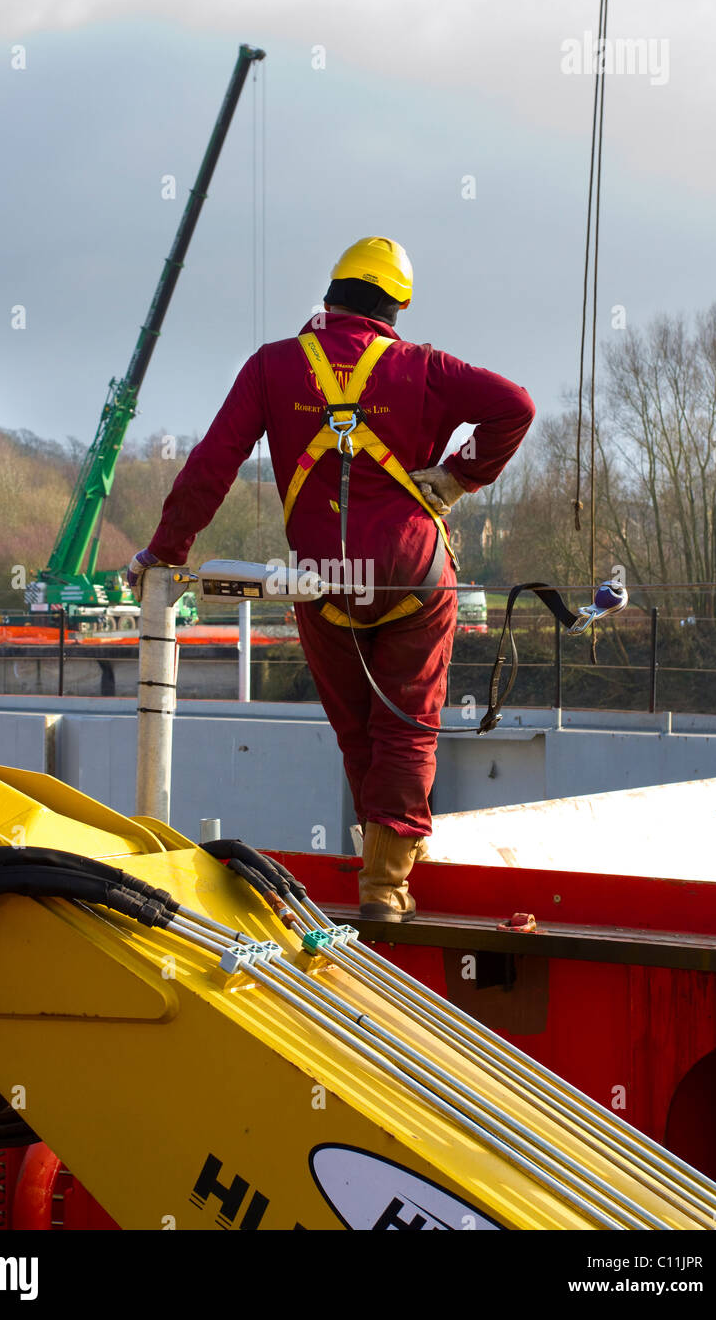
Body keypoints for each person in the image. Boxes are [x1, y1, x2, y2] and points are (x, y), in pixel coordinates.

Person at [129, 237, 534, 922]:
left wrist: (165, 552)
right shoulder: (422, 366)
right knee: (407, 728)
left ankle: (382, 857)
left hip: (324, 585)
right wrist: (461, 475)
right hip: (414, 574)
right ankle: (387, 883)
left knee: (360, 734)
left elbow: (213, 462)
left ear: (333, 293)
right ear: (396, 305)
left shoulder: (271, 367)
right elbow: (514, 405)